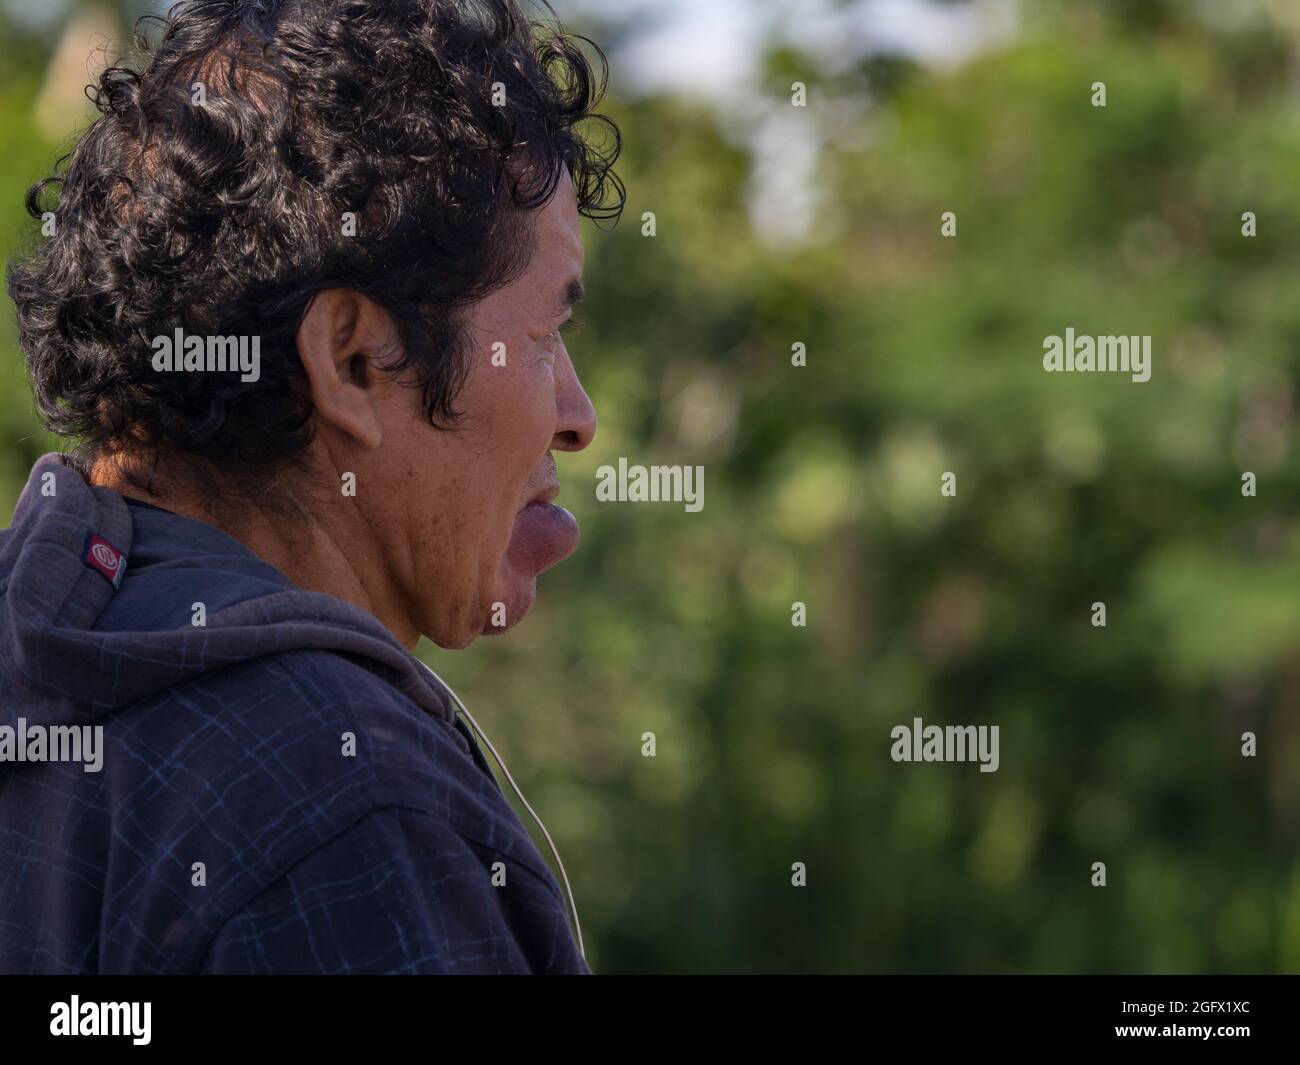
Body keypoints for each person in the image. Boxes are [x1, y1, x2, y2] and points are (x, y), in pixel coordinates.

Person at [0, 0, 622, 974]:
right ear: (352, 358)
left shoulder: (34, 660)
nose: (578, 415)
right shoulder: (346, 813)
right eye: (543, 335)